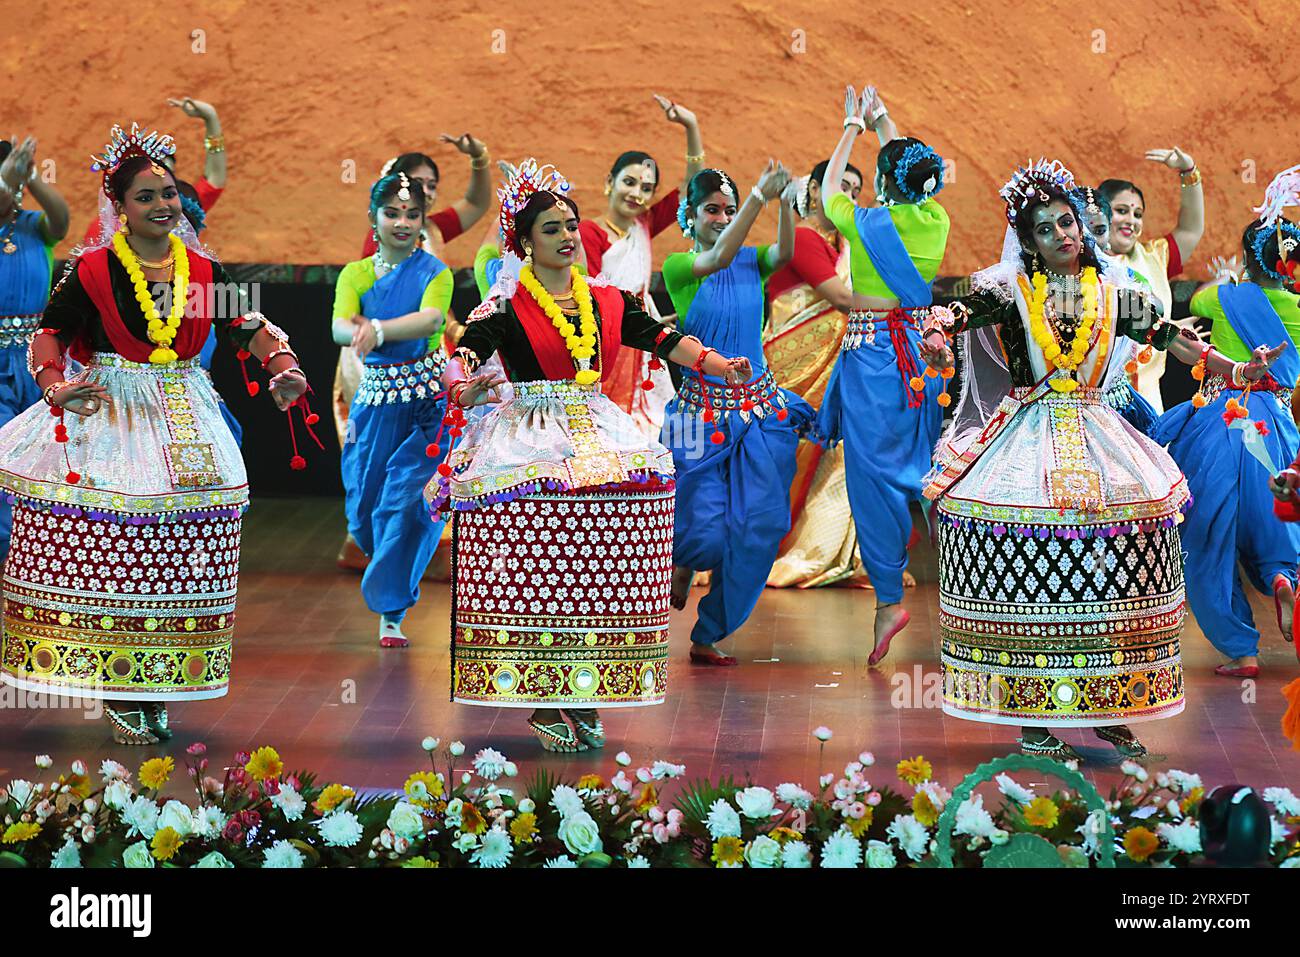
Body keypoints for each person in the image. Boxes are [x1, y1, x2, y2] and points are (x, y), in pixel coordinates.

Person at [921, 158, 1279, 761]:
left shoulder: (1115, 294)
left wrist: (1238, 371)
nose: (1063, 235)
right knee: (1033, 579)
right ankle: (1032, 720)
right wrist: (936, 330)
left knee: (1111, 572)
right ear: (1028, 243)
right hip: (1025, 438)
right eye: (1045, 229)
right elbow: (955, 312)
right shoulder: (1009, 291)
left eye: (1067, 223)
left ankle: (1111, 708)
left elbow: (1176, 339)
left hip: (1099, 434)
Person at [424, 160, 751, 752]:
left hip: (597, 429)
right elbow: (467, 353)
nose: (568, 236)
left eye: (571, 225)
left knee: (593, 565)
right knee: (536, 568)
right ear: (524, 243)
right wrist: (463, 380)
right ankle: (540, 694)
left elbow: (662, 339)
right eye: (552, 229)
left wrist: (720, 365)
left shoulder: (606, 299)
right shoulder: (505, 306)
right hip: (529, 438)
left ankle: (586, 686)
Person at [0, 124, 311, 745]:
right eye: (146, 197)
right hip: (114, 414)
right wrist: (57, 386)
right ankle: (120, 681)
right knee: (121, 550)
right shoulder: (91, 270)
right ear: (119, 207)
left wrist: (284, 369)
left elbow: (248, 322)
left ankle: (160, 677)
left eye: (168, 193)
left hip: (188, 416)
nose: (163, 206)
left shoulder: (200, 268)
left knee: (183, 552)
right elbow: (50, 336)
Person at [815, 85, 951, 664]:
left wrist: (852, 124)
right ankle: (972, 585)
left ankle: (889, 599)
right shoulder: (937, 218)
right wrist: (886, 121)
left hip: (873, 357)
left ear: (883, 183)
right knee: (923, 466)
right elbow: (910, 171)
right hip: (922, 356)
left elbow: (826, 193)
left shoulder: (865, 221)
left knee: (873, 476)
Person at [660, 163, 814, 666]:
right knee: (702, 531)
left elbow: (786, 252)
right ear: (689, 217)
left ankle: (710, 632)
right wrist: (755, 196)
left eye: (729, 211)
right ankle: (685, 561)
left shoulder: (753, 262)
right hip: (696, 416)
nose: (722, 219)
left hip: (759, 414)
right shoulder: (680, 268)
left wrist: (787, 202)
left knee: (760, 526)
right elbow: (720, 254)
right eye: (712, 211)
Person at [1155, 170, 1300, 678]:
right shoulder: (1298, 306)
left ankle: (1242, 649)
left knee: (1209, 535)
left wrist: (1227, 279)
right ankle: (1283, 579)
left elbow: (1193, 302)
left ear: (1247, 262)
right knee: (1276, 514)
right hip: (1275, 428)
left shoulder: (1221, 299)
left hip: (1220, 421)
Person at [337, 136, 492, 571]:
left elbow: (478, 202)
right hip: (376, 355)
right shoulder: (384, 242)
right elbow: (367, 313)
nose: (421, 190)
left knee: (434, 449)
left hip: (431, 354)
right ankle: (373, 540)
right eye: (412, 181)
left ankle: (424, 541)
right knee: (375, 455)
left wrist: (478, 158)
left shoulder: (435, 226)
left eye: (429, 184)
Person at [332, 172, 454, 647]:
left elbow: (432, 319)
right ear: (374, 218)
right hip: (375, 401)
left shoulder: (435, 273)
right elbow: (340, 327)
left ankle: (392, 611)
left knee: (406, 503)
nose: (402, 222)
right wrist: (361, 330)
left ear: (422, 220)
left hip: (427, 404)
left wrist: (378, 329)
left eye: (412, 214)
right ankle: (386, 576)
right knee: (364, 511)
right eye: (392, 213)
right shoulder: (355, 274)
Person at [763, 158, 873, 588]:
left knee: (838, 454)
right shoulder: (805, 238)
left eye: (854, 189)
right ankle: (792, 551)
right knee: (793, 453)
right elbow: (842, 299)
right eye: (836, 184)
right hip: (796, 370)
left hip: (837, 369)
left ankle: (830, 552)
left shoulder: (842, 245)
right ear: (812, 190)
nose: (845, 194)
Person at [0, 136, 70, 561]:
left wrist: (32, 179)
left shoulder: (32, 226)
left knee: (45, 454)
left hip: (35, 362)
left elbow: (60, 219)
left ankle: (40, 549)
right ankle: (7, 545)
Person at [1101, 147, 1205, 412]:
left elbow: (1192, 229)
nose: (1131, 221)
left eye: (1137, 214)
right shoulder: (1080, 263)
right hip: (1096, 397)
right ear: (1100, 214)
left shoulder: (1155, 257)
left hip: (1148, 397)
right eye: (1121, 210)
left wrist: (1189, 172)